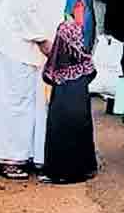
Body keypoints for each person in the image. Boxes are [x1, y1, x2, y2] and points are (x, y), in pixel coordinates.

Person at [0, 0, 96, 180]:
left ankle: (27, 155)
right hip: (12, 46)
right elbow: (24, 9)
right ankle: (9, 159)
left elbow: (51, 10)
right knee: (13, 103)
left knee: (33, 102)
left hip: (33, 49)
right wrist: (43, 40)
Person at [39, 19, 97, 184]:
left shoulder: (57, 72)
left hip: (61, 113)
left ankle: (59, 172)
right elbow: (93, 72)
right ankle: (84, 170)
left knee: (58, 129)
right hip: (80, 112)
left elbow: (47, 77)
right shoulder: (85, 67)